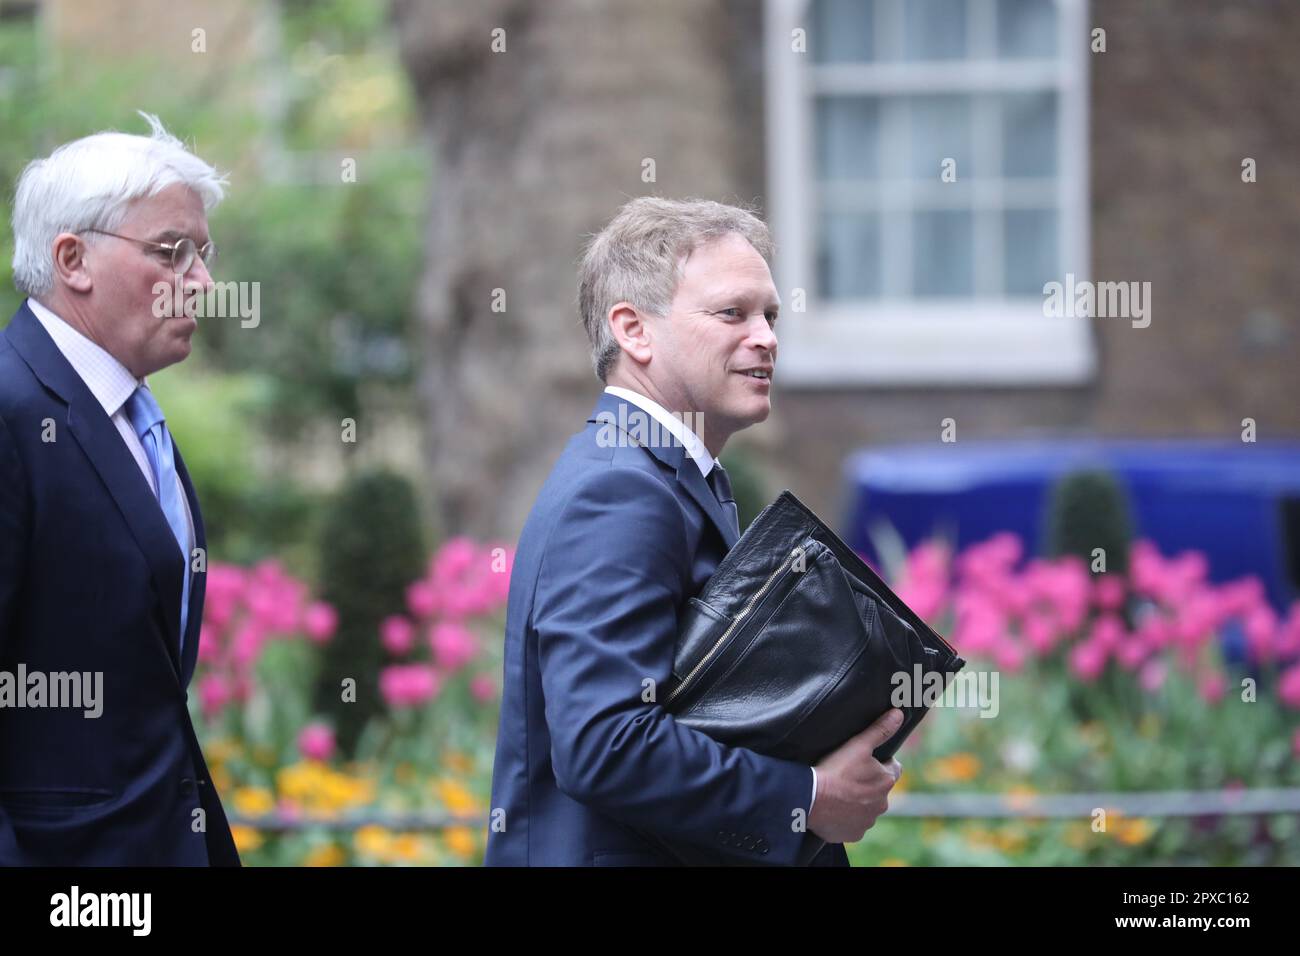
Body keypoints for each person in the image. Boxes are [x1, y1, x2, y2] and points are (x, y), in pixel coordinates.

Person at [485, 196, 903, 866]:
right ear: (635, 332)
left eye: (770, 315)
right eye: (732, 313)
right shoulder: (620, 490)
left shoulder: (663, 473)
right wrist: (805, 796)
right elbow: (604, 743)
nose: (766, 337)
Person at [0, 113, 240, 865]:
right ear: (73, 258)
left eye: (204, 255)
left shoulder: (132, 415)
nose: (203, 283)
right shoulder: (11, 411)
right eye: (174, 253)